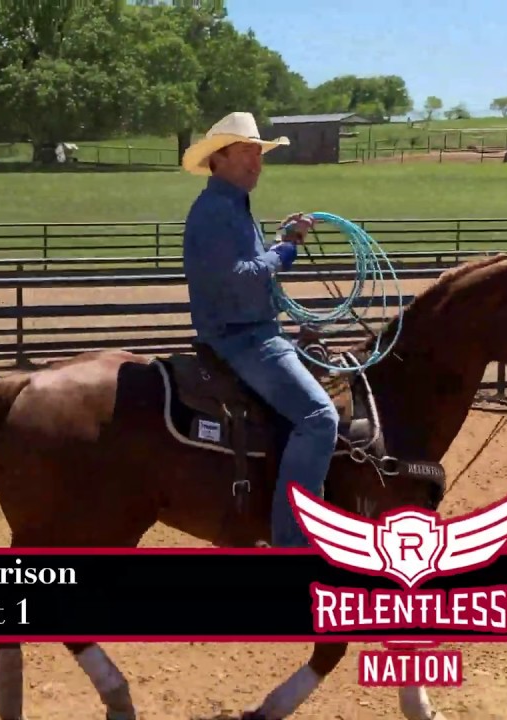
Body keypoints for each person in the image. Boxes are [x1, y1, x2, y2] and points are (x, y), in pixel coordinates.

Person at [179, 110, 337, 548]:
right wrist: (283, 253)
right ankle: (294, 542)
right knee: (320, 418)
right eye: (247, 153)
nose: (256, 162)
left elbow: (249, 265)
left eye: (258, 153)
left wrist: (285, 240)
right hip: (243, 337)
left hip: (249, 330)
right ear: (220, 159)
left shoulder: (230, 206)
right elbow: (242, 274)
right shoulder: (215, 211)